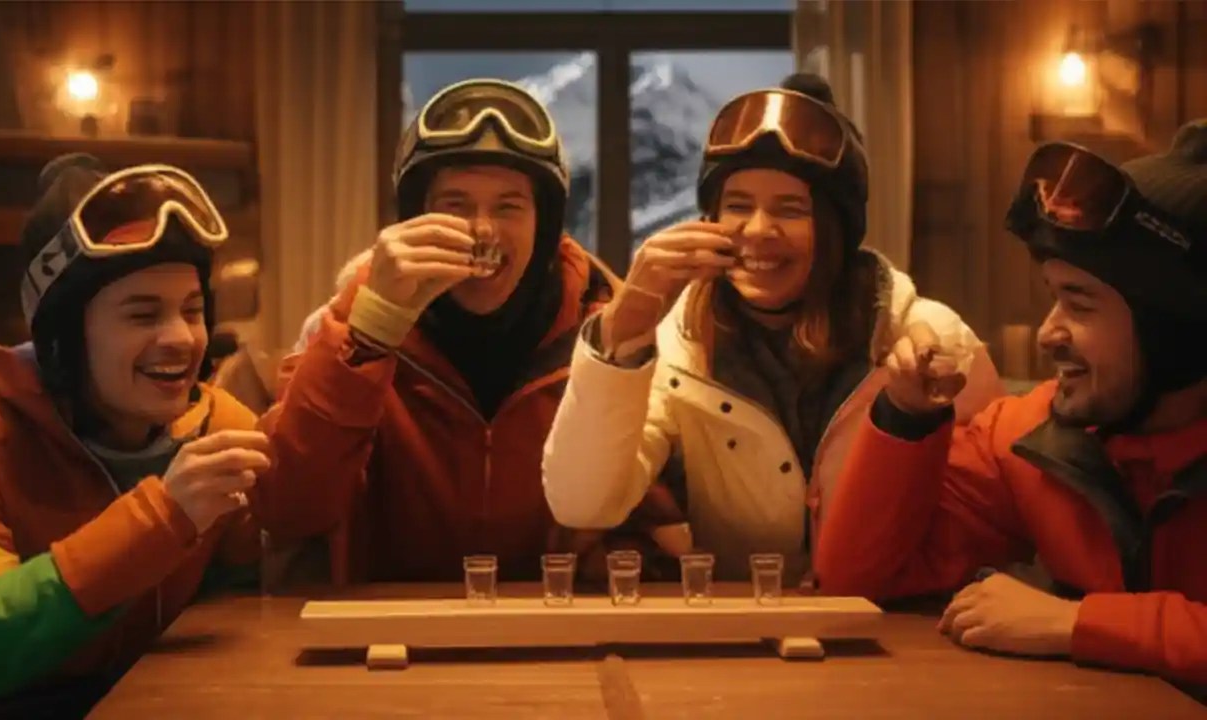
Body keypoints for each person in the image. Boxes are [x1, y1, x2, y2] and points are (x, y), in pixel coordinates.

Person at [541, 74, 1002, 584]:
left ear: (837, 229)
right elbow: (582, 503)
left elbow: (987, 528)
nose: (759, 231)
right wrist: (621, 333)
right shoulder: (679, 349)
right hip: (750, 636)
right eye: (737, 206)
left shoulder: (929, 337)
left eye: (791, 209)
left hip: (902, 634)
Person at [814, 121, 1207, 686]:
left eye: (1080, 303)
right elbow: (856, 581)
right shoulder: (1031, 436)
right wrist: (906, 422)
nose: (1049, 332)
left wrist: (1078, 623)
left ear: (1174, 329)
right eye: (1054, 297)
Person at [0, 155, 269, 705]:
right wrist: (163, 518)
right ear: (63, 339)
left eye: (192, 309)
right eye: (142, 314)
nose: (181, 338)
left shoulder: (220, 427)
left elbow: (245, 605)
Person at [255, 79, 617, 582]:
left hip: (556, 631)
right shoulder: (340, 326)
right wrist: (371, 332)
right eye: (455, 204)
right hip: (391, 635)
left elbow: (648, 518)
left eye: (508, 206)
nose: (482, 229)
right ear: (414, 217)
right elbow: (289, 509)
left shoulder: (610, 336)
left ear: (546, 223)